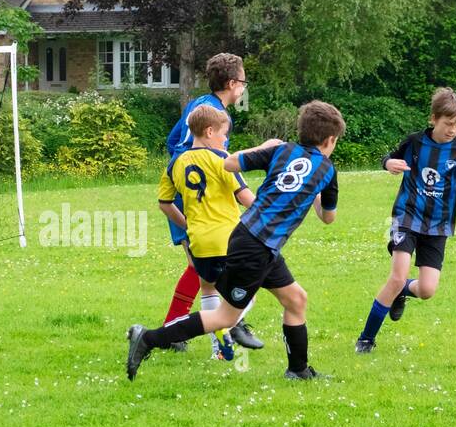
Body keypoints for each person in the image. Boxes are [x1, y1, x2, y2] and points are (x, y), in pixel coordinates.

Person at [127, 101, 344, 381]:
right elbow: (328, 217)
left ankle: (298, 370)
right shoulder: (327, 170)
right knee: (226, 318)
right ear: (330, 140)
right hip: (255, 246)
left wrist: (263, 148)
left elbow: (229, 162)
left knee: (296, 299)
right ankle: (148, 338)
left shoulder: (281, 150)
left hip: (254, 240)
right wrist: (315, 192)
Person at [355, 88, 456, 353]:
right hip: (407, 217)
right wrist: (389, 164)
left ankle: (401, 294)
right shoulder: (414, 143)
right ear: (433, 119)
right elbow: (388, 158)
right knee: (397, 277)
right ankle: (366, 339)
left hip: (438, 225)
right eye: (448, 124)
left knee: (427, 290)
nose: (452, 130)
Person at [160, 53, 262, 351]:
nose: (244, 88)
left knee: (201, 272)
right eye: (243, 81)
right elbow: (203, 157)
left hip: (187, 197)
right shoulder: (214, 115)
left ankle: (193, 335)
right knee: (207, 271)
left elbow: (173, 142)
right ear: (232, 83)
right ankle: (186, 330)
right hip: (192, 202)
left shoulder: (203, 106)